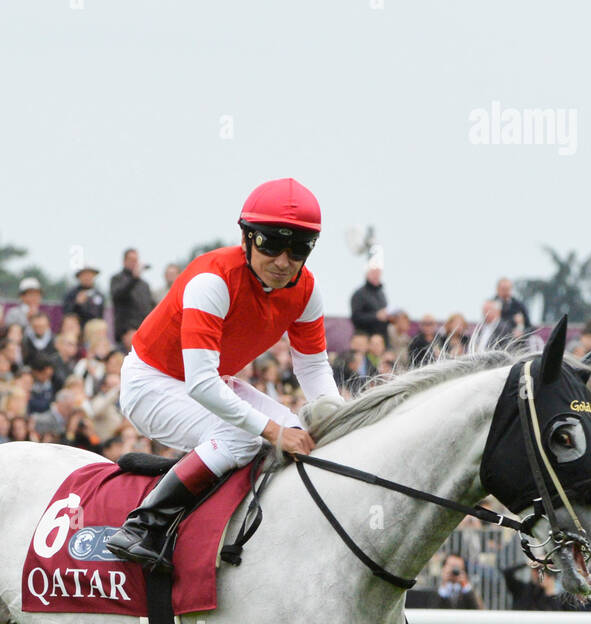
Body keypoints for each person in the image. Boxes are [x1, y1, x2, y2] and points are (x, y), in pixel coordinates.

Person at [107, 177, 342, 571]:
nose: (284, 262)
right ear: (247, 237)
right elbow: (201, 384)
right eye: (271, 244)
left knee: (307, 436)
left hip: (213, 383)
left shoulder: (306, 289)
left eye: (298, 249)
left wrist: (337, 420)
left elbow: (313, 365)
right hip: (151, 382)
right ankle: (144, 525)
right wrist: (274, 432)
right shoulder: (212, 280)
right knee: (248, 434)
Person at [110, 249, 154, 345]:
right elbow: (118, 295)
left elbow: (150, 306)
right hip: (125, 334)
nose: (135, 263)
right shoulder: (117, 279)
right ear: (124, 261)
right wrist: (133, 279)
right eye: (131, 260)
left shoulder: (144, 284)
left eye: (136, 260)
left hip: (144, 332)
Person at [349, 258, 388, 338]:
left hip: (381, 337)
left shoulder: (381, 293)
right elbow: (356, 318)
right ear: (367, 274)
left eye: (378, 273)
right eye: (373, 273)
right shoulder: (359, 294)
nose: (376, 275)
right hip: (365, 337)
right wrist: (375, 316)